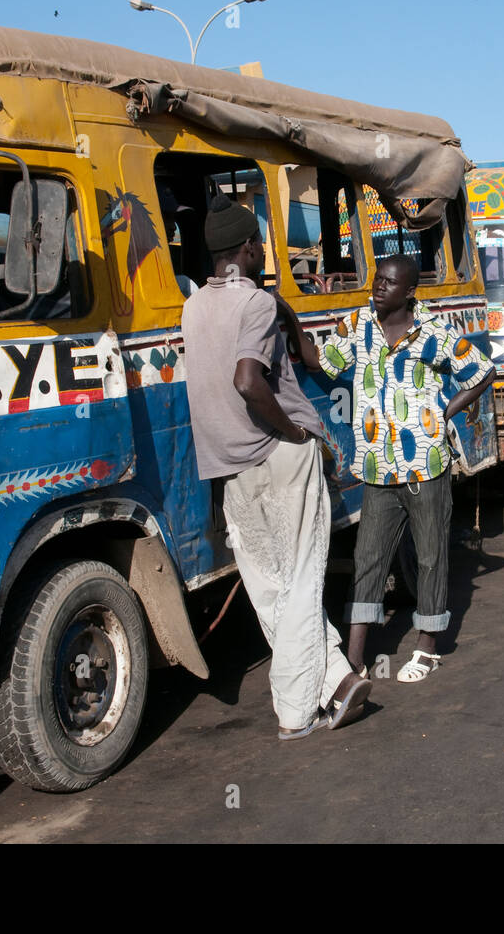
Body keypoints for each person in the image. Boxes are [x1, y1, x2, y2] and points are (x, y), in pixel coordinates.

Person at [180, 196, 370, 739]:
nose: (263, 248)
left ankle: (336, 679)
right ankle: (297, 712)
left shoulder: (193, 307)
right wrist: (292, 432)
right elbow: (247, 379)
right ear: (246, 248)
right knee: (304, 583)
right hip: (282, 457)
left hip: (231, 469)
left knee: (272, 589)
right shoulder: (255, 305)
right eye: (259, 241)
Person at [280, 254, 494, 682]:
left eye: (389, 283)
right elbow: (321, 361)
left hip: (425, 465)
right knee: (368, 560)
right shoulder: (359, 325)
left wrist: (444, 411)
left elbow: (482, 371)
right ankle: (356, 660)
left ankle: (428, 646)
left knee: (431, 556)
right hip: (377, 467)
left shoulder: (433, 332)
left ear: (410, 291)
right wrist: (288, 315)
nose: (378, 287)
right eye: (377, 280)